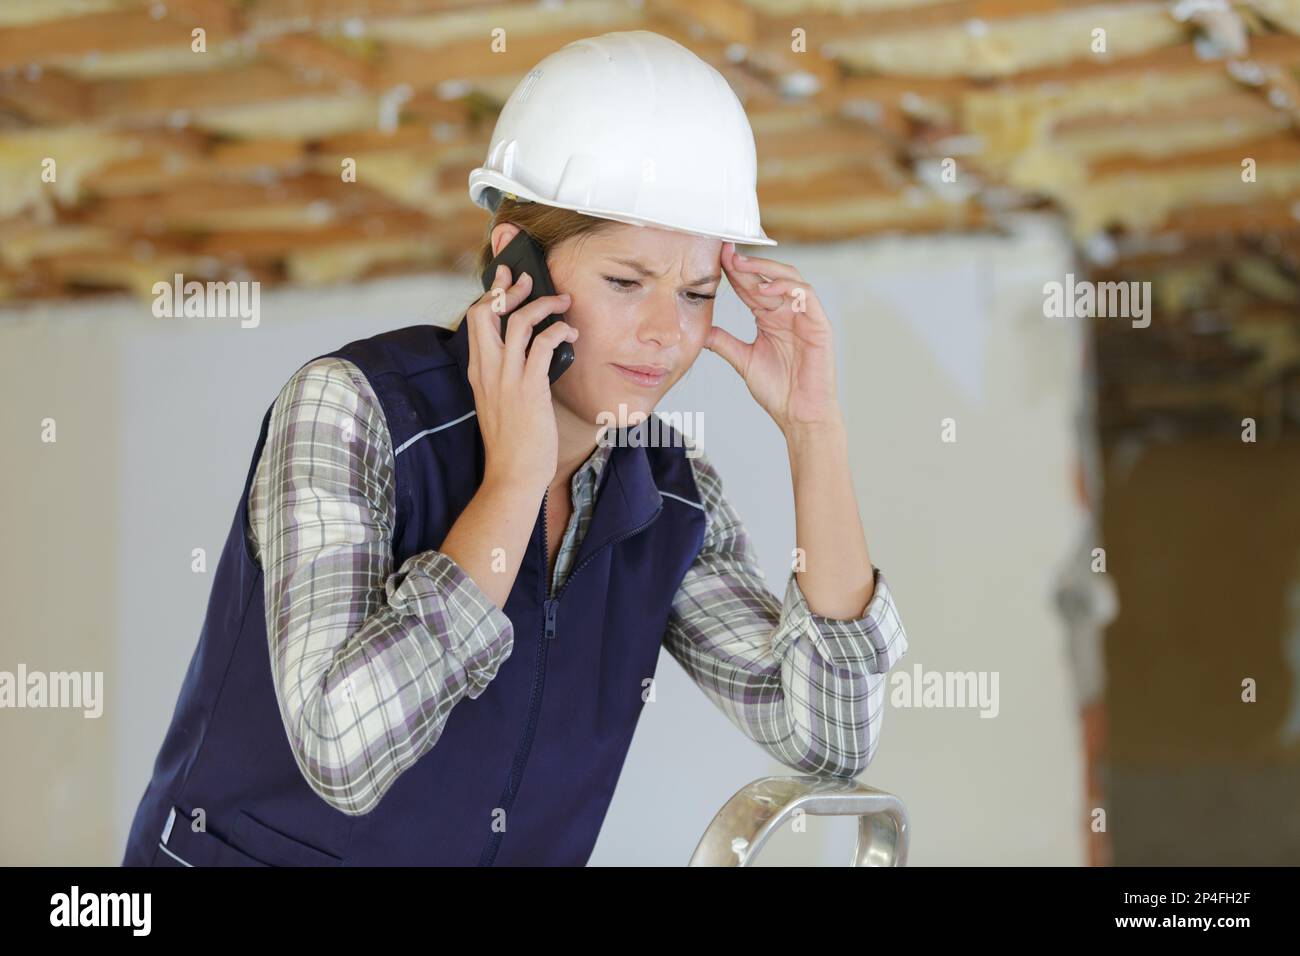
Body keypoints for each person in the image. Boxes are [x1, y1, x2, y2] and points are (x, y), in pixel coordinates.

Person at [121, 29, 909, 867]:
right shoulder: (353, 411)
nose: (665, 332)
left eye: (696, 293)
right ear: (515, 266)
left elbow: (828, 738)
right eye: (625, 281)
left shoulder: (668, 493)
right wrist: (514, 483)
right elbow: (342, 749)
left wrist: (814, 430)